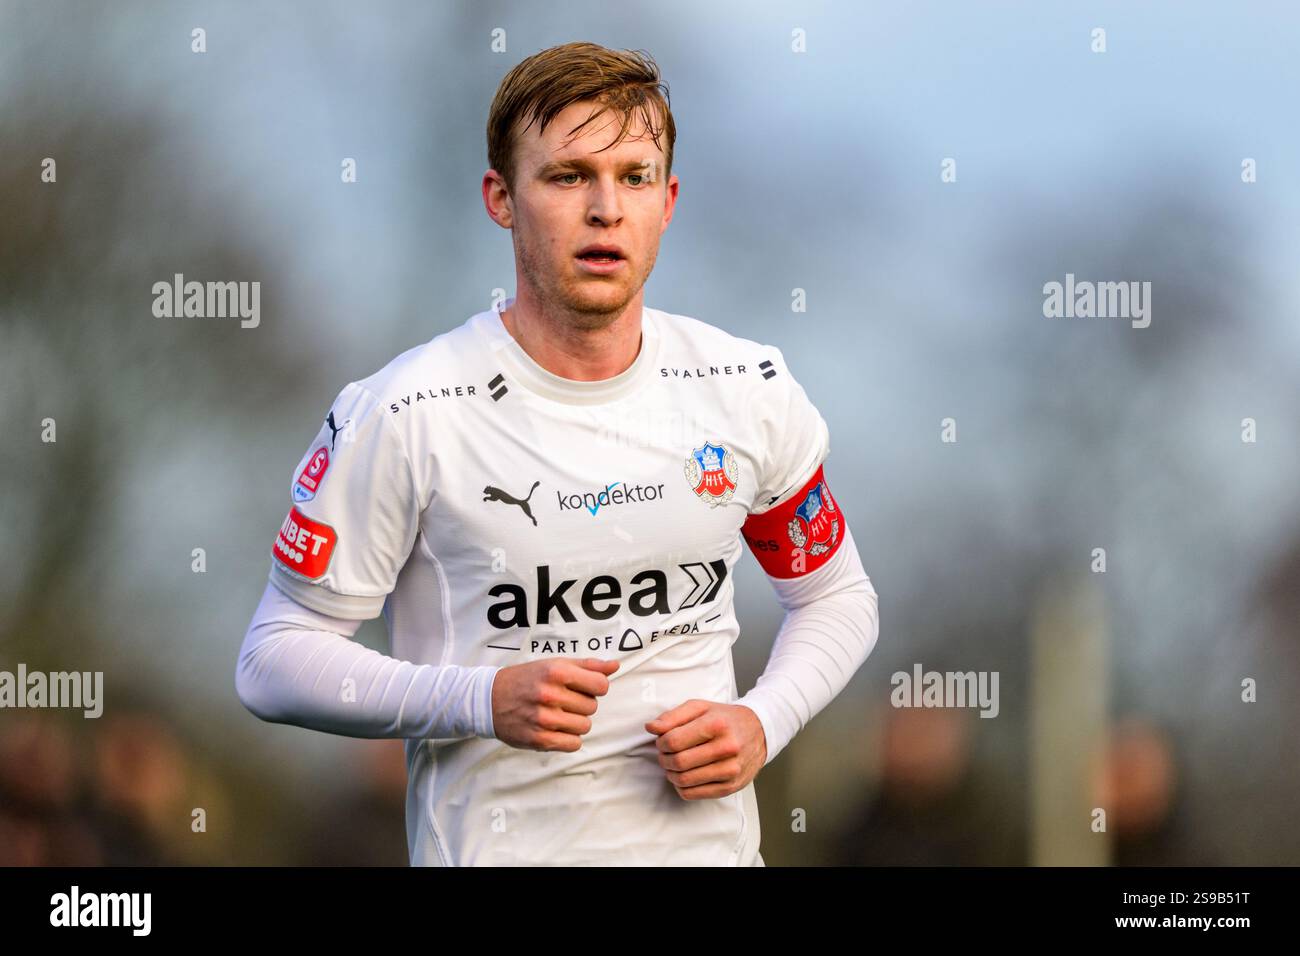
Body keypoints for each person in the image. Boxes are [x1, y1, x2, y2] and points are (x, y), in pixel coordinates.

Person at [235, 40, 880, 866]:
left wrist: (766, 719)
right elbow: (271, 659)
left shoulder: (742, 387)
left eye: (635, 177)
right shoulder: (407, 412)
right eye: (569, 176)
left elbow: (836, 595)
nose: (607, 208)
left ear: (669, 199)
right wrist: (475, 699)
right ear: (501, 198)